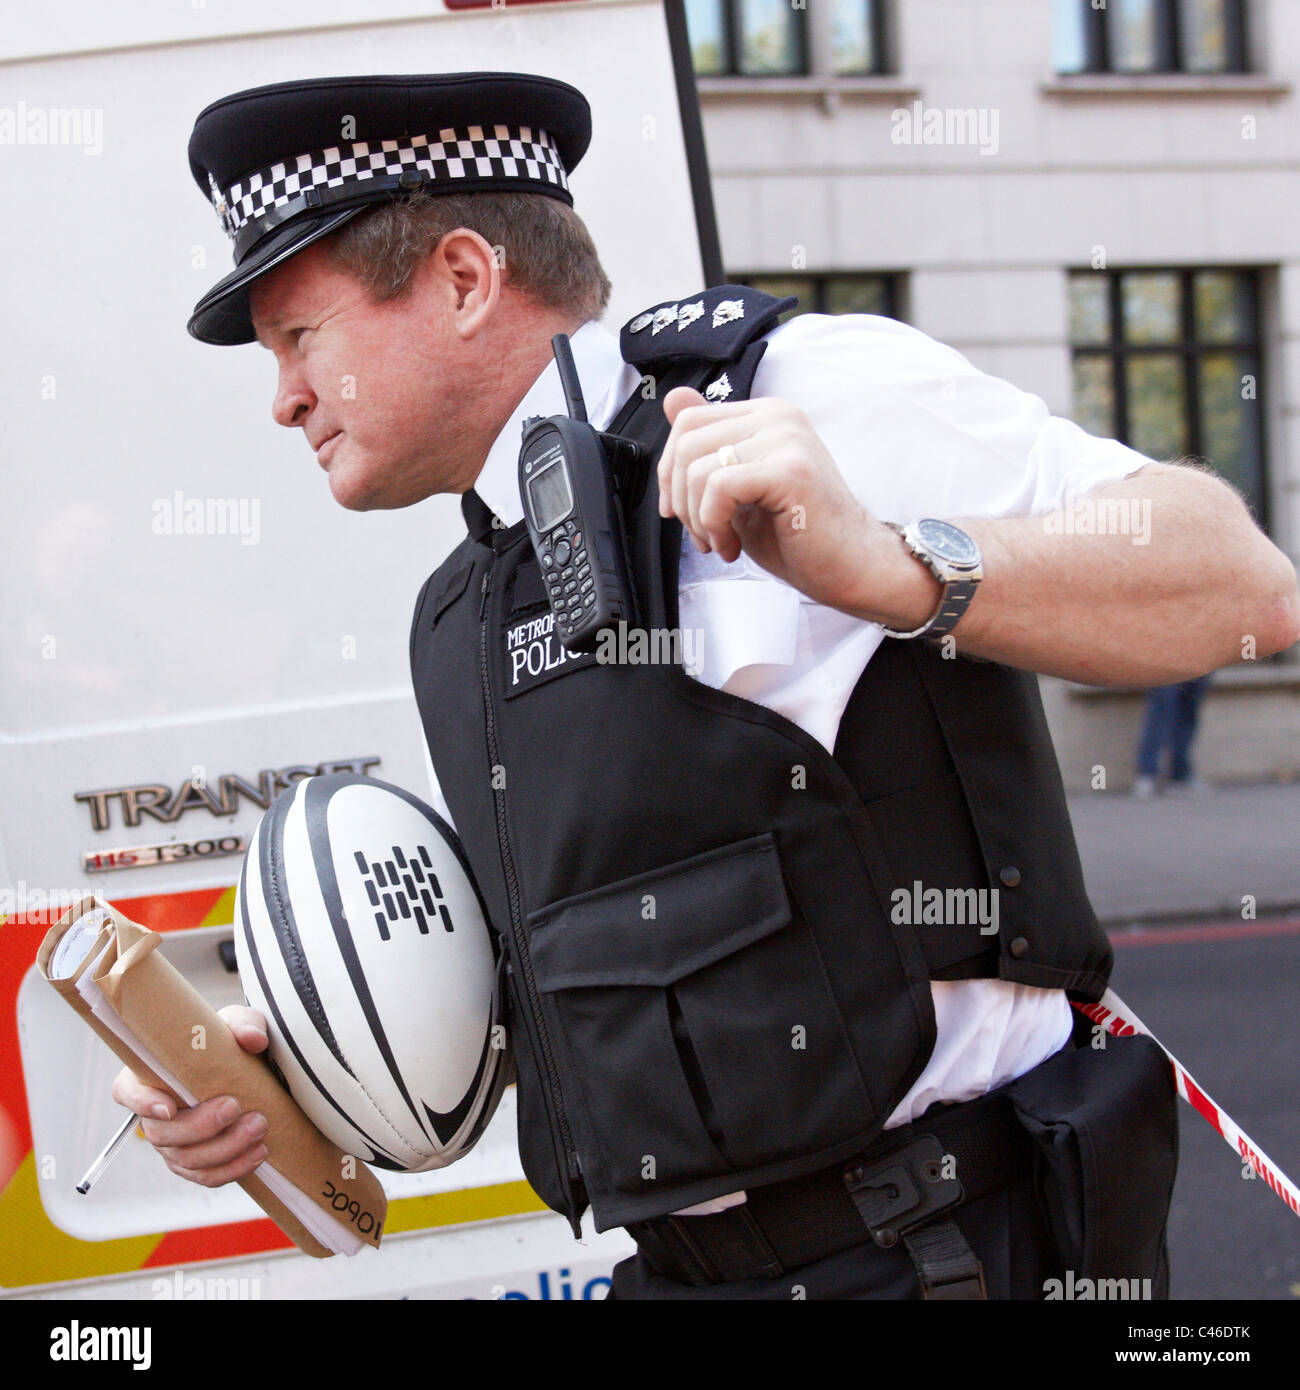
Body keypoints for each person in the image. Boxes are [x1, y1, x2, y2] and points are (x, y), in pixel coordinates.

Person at [113, 72, 1300, 1300]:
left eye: (301, 337)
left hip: (934, 1254)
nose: (283, 400)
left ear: (465, 281)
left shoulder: (788, 394)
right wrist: (274, 1085)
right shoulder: (462, 610)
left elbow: (1240, 584)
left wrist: (897, 568)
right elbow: (597, 994)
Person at [1133, 675, 1214, 797]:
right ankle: (1146, 774)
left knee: (1189, 708)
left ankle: (1179, 774)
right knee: (1161, 705)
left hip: (1199, 658)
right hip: (1164, 658)